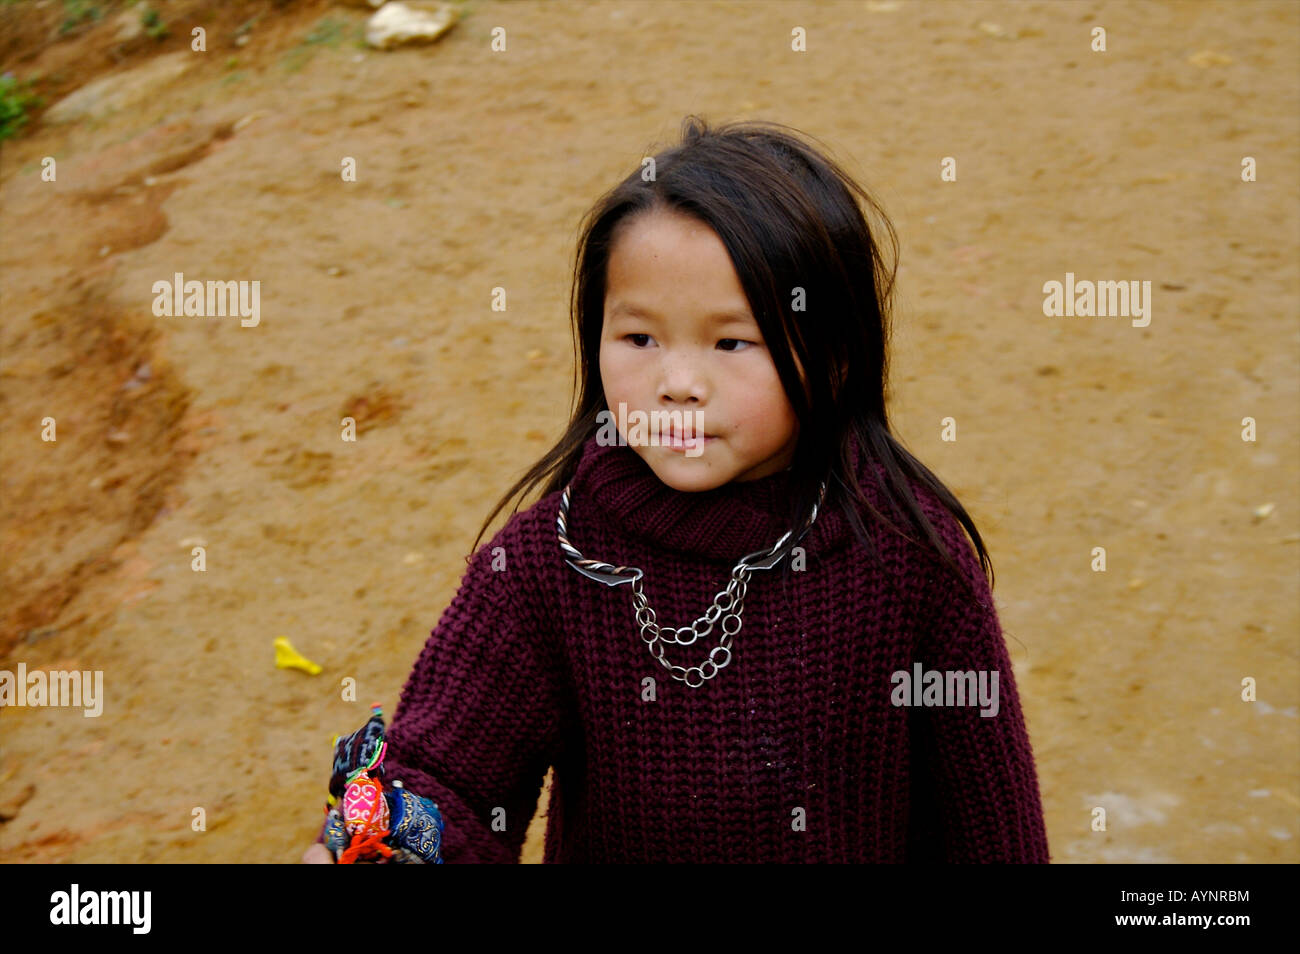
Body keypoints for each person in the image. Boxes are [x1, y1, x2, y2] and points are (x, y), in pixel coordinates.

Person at [303, 115, 1050, 863]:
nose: (678, 385)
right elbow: (447, 778)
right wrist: (388, 840)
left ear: (836, 357)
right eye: (639, 339)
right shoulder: (543, 567)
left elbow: (997, 831)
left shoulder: (909, 559)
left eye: (732, 342)